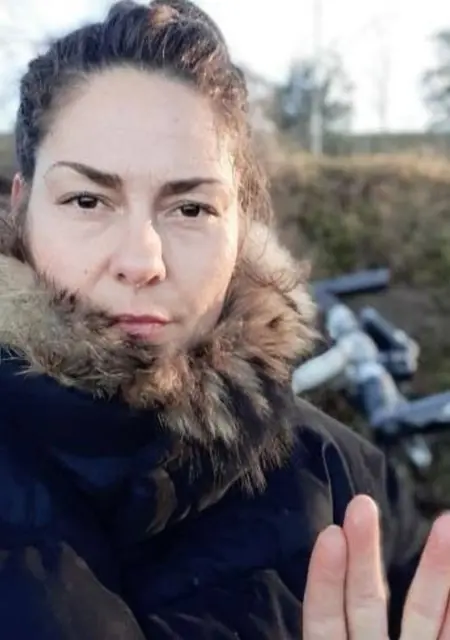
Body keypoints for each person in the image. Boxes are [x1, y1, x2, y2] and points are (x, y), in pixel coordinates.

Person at [0, 1, 448, 638]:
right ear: (23, 207)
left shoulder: (344, 487)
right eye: (88, 200)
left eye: (190, 209)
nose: (142, 260)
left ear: (241, 222)